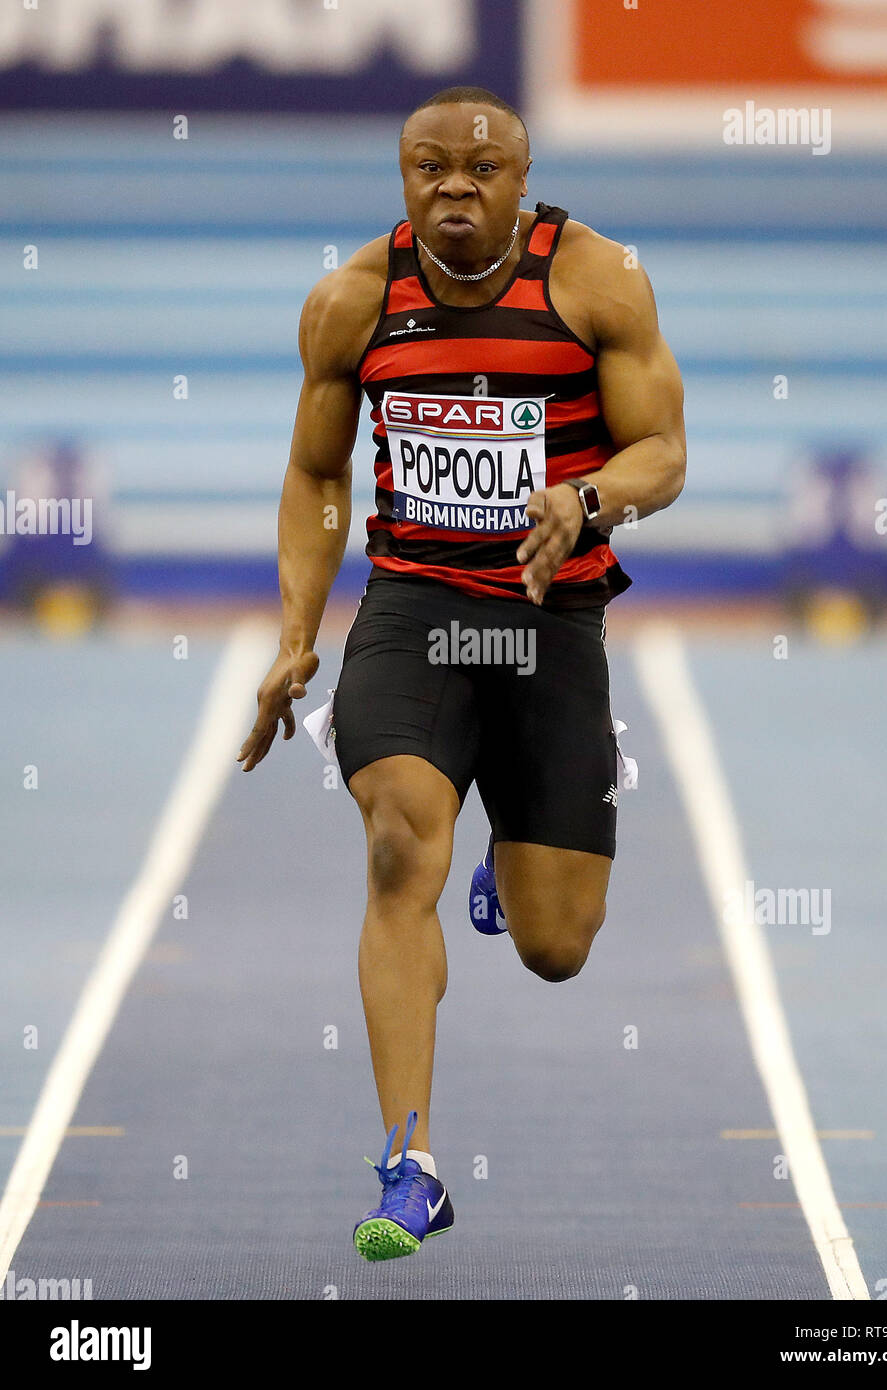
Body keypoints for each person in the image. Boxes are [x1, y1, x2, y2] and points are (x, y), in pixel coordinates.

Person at [237, 86, 686, 1262]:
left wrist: (585, 497)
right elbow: (315, 472)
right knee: (397, 840)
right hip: (417, 608)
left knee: (554, 945)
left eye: (478, 172)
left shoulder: (595, 282)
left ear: (521, 181)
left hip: (549, 614)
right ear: (402, 179)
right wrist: (296, 630)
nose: (451, 188)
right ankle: (411, 1163)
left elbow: (664, 453)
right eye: (427, 168)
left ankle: (520, 832)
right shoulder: (352, 301)